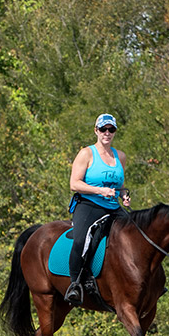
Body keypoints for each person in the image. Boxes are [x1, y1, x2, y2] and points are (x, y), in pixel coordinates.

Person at [65, 113, 131, 306]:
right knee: (80, 240)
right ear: (96, 130)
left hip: (113, 207)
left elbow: (119, 183)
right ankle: (75, 284)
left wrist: (123, 195)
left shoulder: (121, 156)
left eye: (111, 130)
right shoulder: (86, 154)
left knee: (137, 233)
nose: (107, 133)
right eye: (103, 129)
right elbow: (74, 184)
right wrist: (99, 190)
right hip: (89, 205)